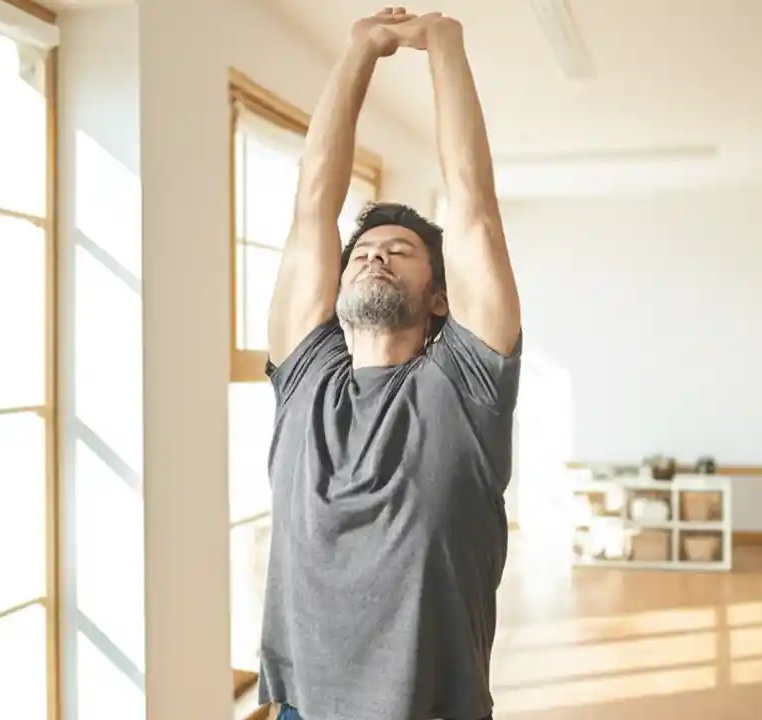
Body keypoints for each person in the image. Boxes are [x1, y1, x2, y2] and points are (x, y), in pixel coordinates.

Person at [259, 6, 521, 720]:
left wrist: (445, 46)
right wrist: (359, 51)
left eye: (399, 250)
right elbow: (314, 202)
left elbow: (474, 207)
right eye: (364, 252)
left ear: (439, 297)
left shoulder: (467, 387)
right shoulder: (304, 375)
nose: (374, 253)